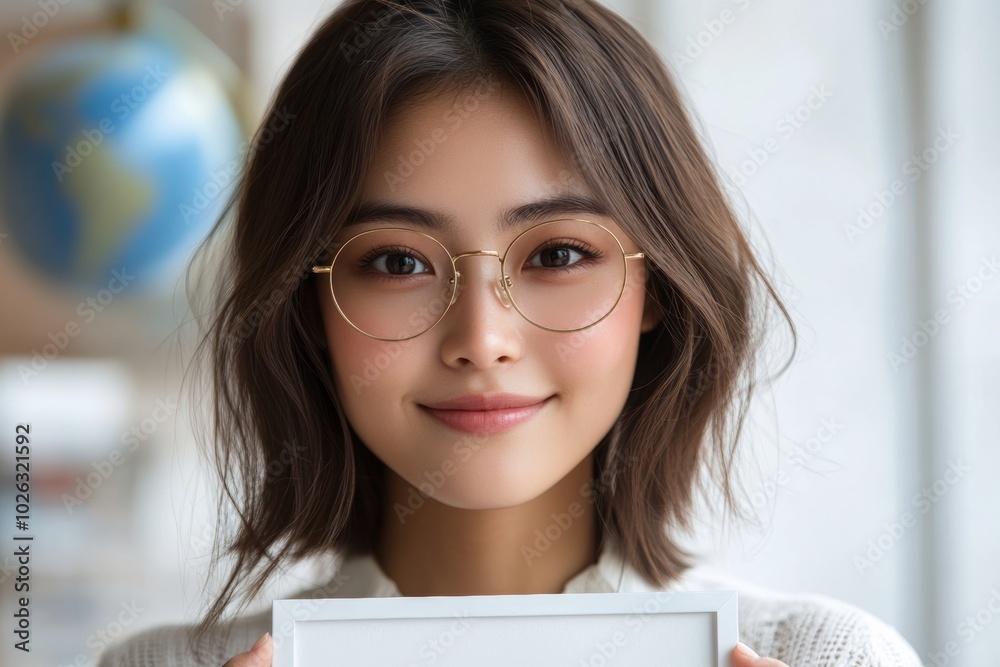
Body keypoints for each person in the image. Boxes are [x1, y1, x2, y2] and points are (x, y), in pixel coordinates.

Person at [97, 0, 922, 665]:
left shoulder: (832, 657)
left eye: (560, 253)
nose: (481, 338)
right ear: (307, 304)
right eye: (394, 262)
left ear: (658, 287)